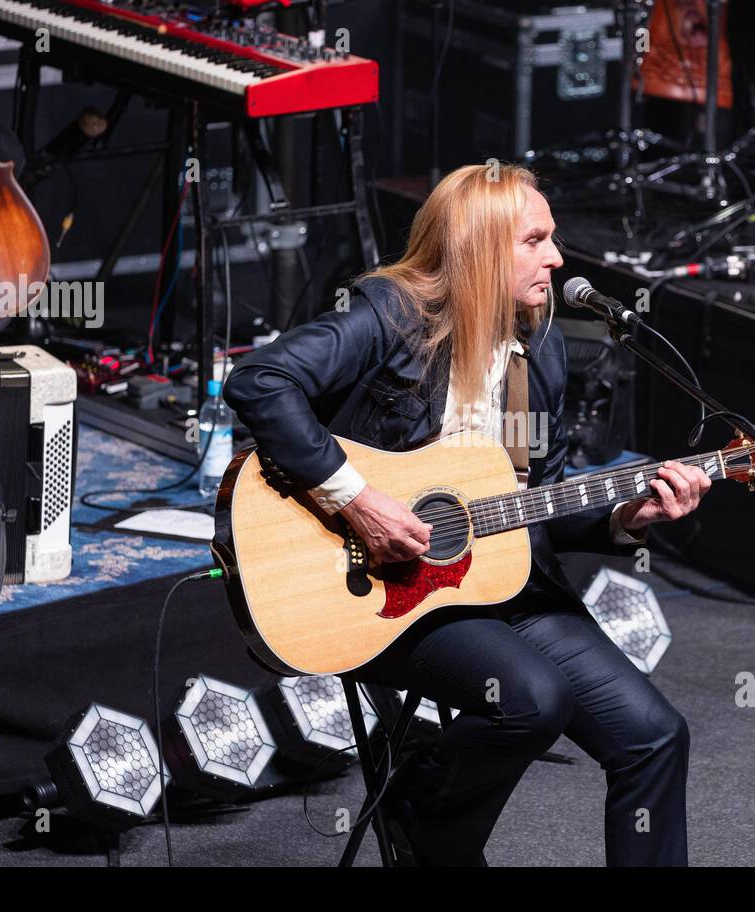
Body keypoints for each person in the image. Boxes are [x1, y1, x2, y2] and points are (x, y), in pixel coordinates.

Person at [223, 163, 711, 866]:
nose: (557, 257)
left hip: (498, 581)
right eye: (535, 240)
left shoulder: (536, 357)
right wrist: (358, 500)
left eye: (553, 238)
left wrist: (624, 517)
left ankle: (423, 812)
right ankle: (422, 816)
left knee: (655, 735)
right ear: (482, 248)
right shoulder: (389, 315)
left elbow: (530, 503)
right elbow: (262, 380)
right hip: (380, 588)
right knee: (532, 697)